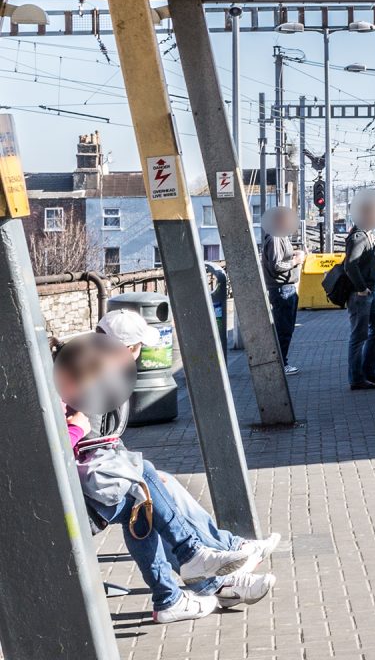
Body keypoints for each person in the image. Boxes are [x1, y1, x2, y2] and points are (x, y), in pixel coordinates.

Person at [53, 334, 277, 624]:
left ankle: (196, 574)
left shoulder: (80, 394)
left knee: (148, 488)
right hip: (60, 502)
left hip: (75, 489)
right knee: (143, 488)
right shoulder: (64, 399)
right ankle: (200, 567)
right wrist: (77, 430)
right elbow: (47, 454)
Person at [344, 189, 375, 391]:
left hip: (370, 293)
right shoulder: (358, 237)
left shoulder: (365, 234)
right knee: (358, 336)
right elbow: (350, 265)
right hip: (360, 295)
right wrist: (361, 288)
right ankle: (356, 379)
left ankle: (368, 372)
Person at [261, 206, 305, 376]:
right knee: (283, 329)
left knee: (284, 328)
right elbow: (277, 265)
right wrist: (296, 261)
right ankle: (281, 364)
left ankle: (281, 362)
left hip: (284, 288)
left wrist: (294, 252)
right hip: (282, 289)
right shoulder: (275, 238)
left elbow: (278, 257)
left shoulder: (278, 237)